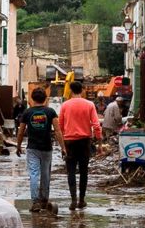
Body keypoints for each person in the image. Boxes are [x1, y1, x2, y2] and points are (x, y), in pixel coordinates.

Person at [16, 88, 64, 214]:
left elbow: (20, 132)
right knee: (45, 174)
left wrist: (18, 146)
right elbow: (58, 131)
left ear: (32, 98)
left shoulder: (27, 112)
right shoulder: (50, 112)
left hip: (32, 148)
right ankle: (44, 200)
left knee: (34, 174)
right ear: (45, 98)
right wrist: (63, 148)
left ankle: (35, 202)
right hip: (46, 148)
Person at [57, 81, 101, 211]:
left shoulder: (65, 105)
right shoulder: (89, 104)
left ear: (71, 91)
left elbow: (60, 126)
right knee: (83, 171)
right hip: (84, 141)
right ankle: (82, 200)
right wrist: (99, 142)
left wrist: (62, 144)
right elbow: (96, 125)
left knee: (70, 171)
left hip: (69, 141)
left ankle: (73, 200)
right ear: (82, 90)